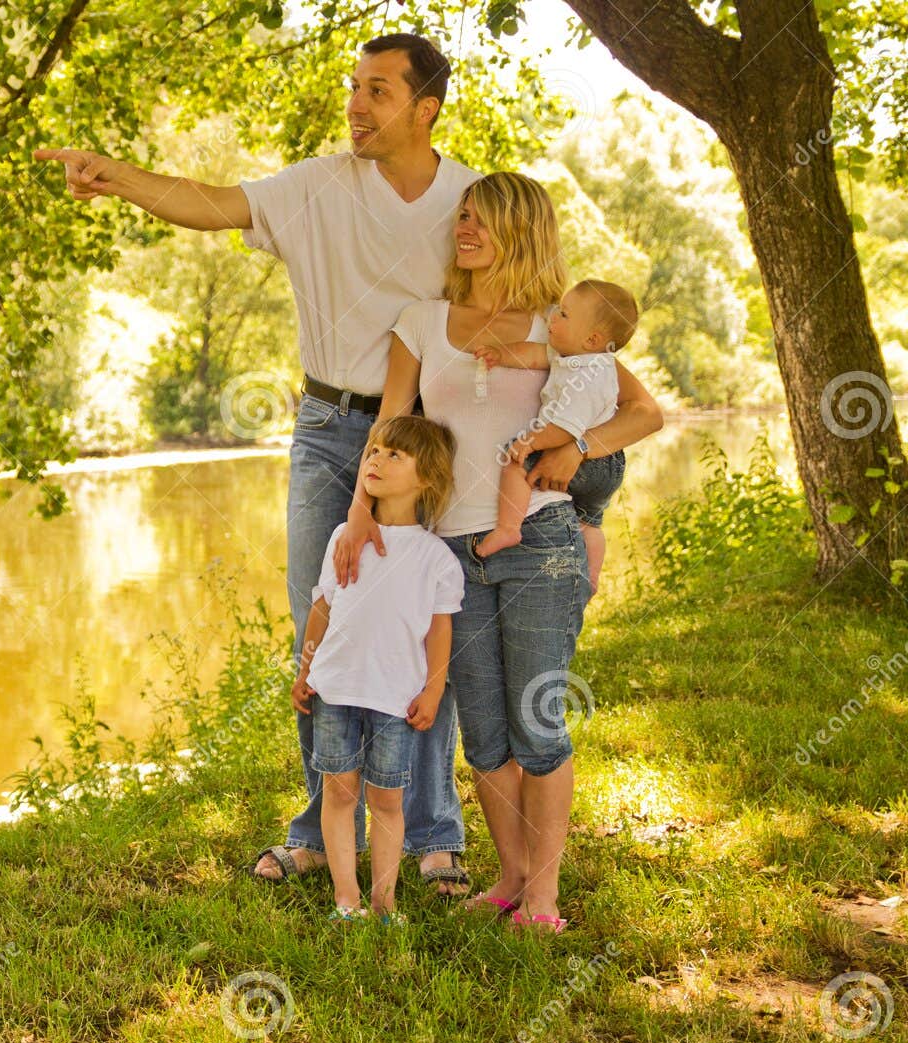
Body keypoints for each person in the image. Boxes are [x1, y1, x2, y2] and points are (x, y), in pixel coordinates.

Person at [36, 33, 661, 895]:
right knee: (324, 619)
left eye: (376, 90)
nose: (356, 105)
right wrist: (117, 175)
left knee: (428, 620)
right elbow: (209, 201)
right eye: (353, 87)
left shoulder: (468, 202)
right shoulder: (316, 186)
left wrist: (585, 486)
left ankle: (435, 836)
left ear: (424, 107)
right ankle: (321, 820)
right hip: (335, 426)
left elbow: (575, 357)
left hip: (435, 441)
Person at [336, 172, 663, 932]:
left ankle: (543, 897)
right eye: (462, 217)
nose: (465, 229)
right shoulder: (420, 321)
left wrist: (581, 448)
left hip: (539, 543)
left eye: (480, 219)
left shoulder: (563, 327)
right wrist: (360, 520)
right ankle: (512, 876)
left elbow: (644, 411)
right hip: (449, 553)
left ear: (521, 228)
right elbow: (389, 433)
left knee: (536, 722)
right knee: (482, 731)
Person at [290, 416, 463, 923]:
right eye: (374, 452)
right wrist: (306, 670)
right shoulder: (345, 536)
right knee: (339, 793)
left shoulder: (436, 558)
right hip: (335, 689)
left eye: (394, 456)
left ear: (426, 478)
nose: (376, 461)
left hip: (393, 698)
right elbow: (323, 606)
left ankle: (384, 902)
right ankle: (346, 898)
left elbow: (439, 633)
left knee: (388, 801)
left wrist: (432, 691)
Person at [473, 278, 640, 594]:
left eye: (563, 315)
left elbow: (566, 427)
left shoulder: (589, 375)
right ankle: (590, 576)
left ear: (592, 338)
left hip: (589, 459)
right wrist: (501, 354)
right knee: (588, 521)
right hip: (607, 462)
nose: (552, 317)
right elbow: (535, 355)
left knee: (515, 460)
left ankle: (508, 528)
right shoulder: (573, 356)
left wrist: (530, 442)